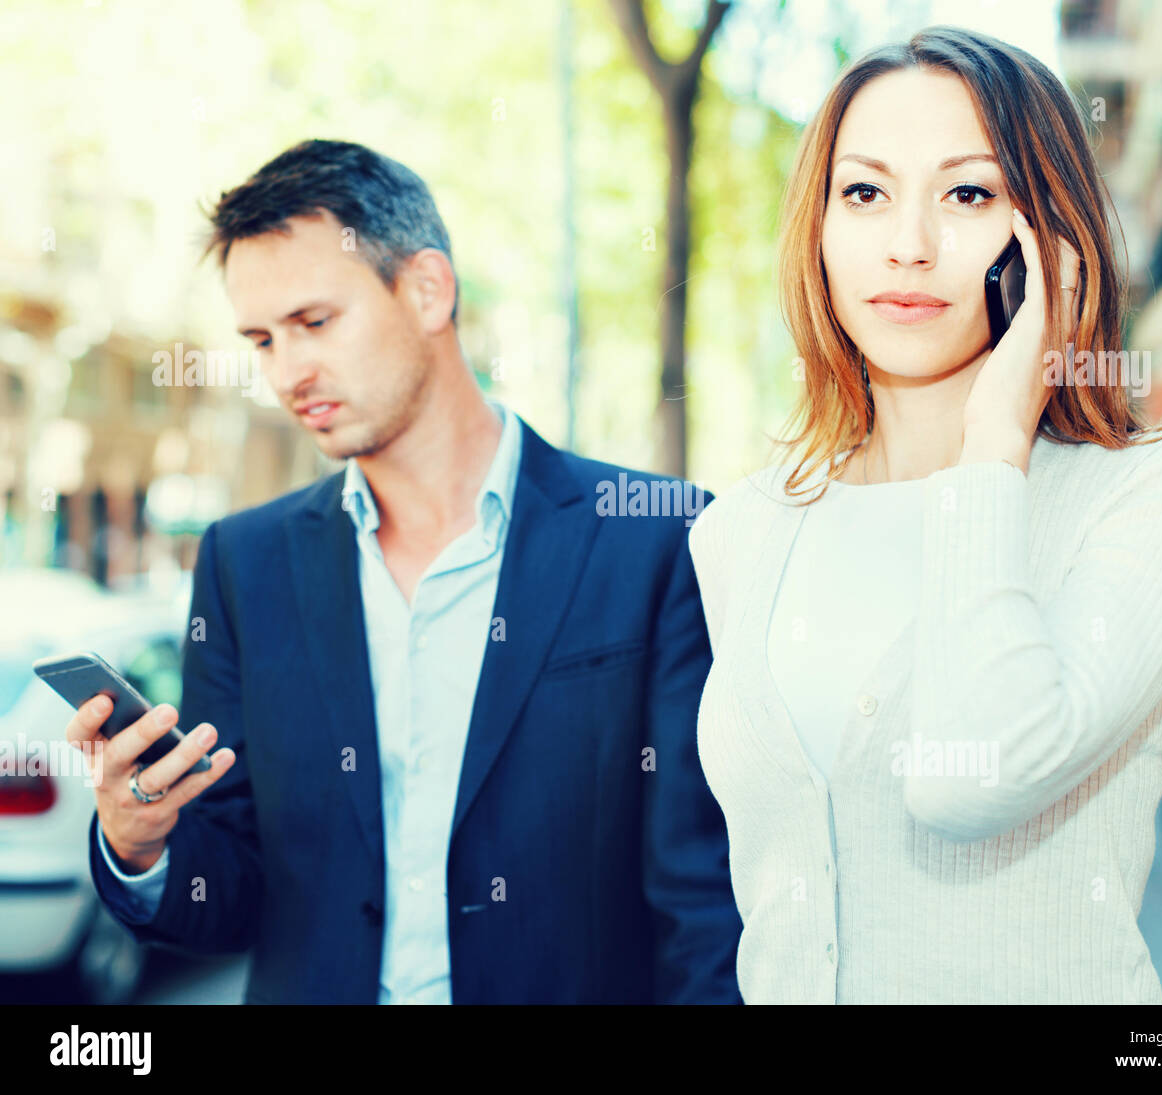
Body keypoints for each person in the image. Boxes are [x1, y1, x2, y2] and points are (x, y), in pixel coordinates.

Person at [66, 139, 742, 1004]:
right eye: (262, 339)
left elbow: (700, 900)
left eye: (315, 322)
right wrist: (141, 844)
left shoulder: (653, 538)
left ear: (427, 289)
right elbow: (231, 897)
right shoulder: (245, 563)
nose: (287, 372)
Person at [686, 27, 1162, 1004]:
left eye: (967, 194)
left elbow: (972, 778)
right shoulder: (739, 531)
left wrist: (995, 441)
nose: (908, 244)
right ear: (816, 231)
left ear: (1052, 245)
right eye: (864, 193)